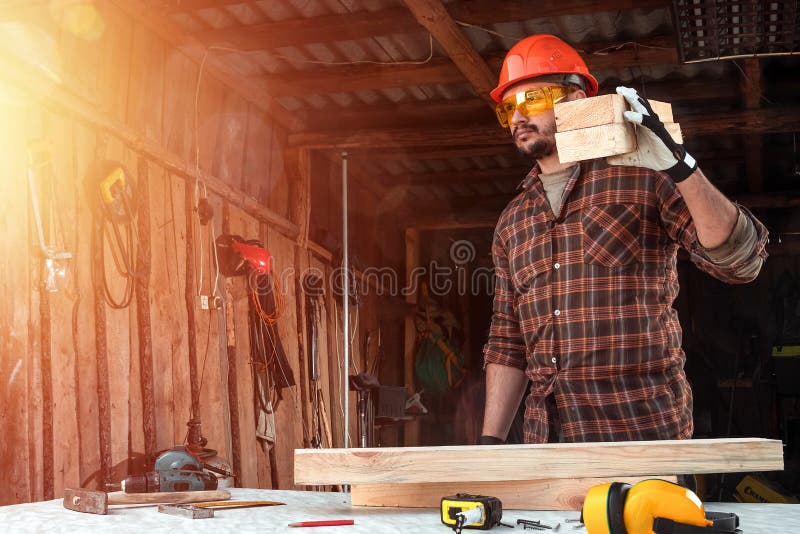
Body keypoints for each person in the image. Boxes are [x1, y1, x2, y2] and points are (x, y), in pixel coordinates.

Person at [480, 34, 768, 445]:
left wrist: (680, 165)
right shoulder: (513, 221)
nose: (517, 117)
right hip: (548, 441)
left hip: (641, 434)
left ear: (576, 99)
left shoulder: (642, 174)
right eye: (508, 107)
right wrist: (491, 444)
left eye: (534, 99)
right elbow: (507, 341)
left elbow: (739, 261)